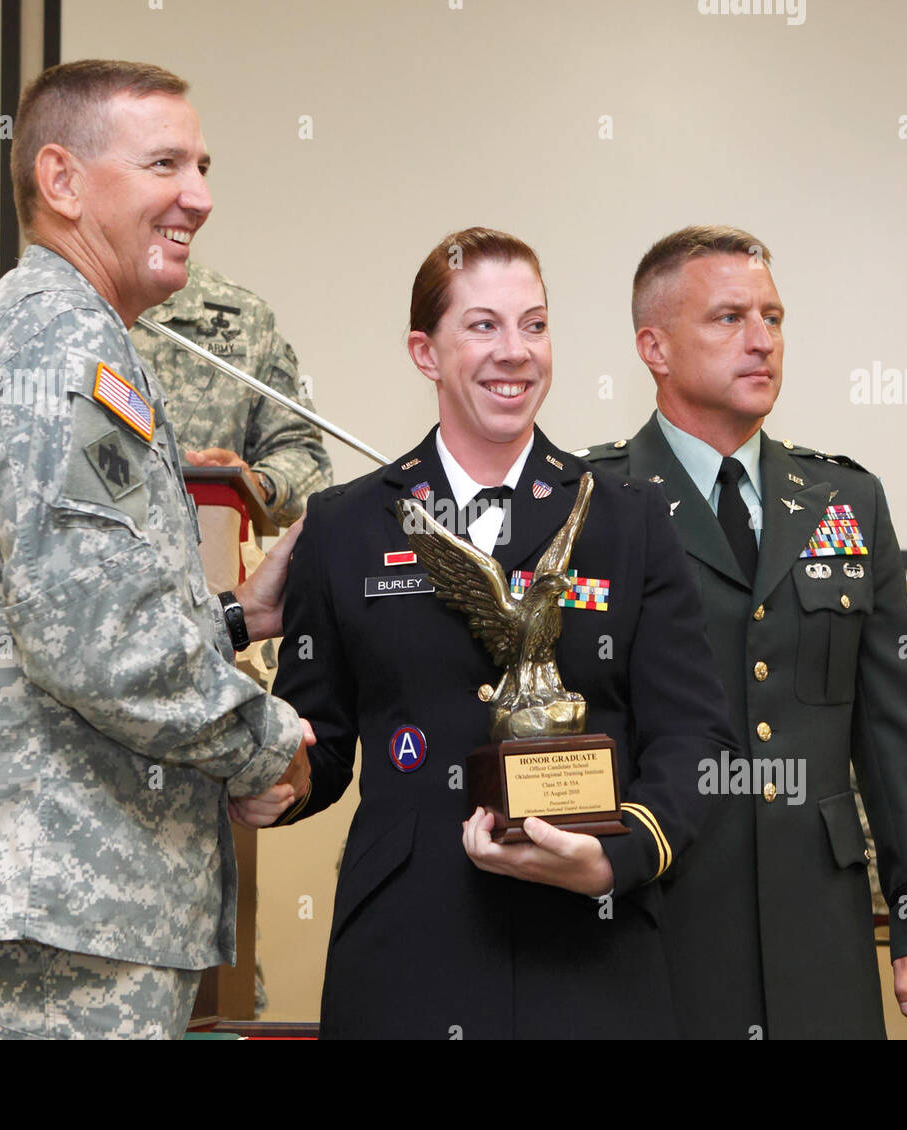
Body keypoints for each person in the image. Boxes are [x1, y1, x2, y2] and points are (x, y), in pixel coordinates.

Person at [0, 59, 310, 1040]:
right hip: (49, 923)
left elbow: (51, 608)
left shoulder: (55, 335)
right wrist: (265, 741)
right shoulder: (67, 352)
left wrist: (238, 614)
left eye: (201, 165)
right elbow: (94, 639)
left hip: (52, 909)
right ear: (62, 180)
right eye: (164, 162)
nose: (198, 196)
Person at [235, 228, 738, 1039]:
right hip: (408, 954)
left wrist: (619, 856)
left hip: (593, 956)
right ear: (424, 352)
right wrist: (278, 779)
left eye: (534, 325)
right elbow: (320, 745)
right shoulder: (346, 524)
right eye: (483, 326)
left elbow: (696, 734)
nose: (516, 352)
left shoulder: (629, 519)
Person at [580, 225, 907, 1038]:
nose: (762, 341)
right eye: (729, 318)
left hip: (817, 924)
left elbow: (899, 731)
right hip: (655, 911)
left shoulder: (845, 501)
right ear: (653, 347)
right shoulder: (594, 504)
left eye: (774, 317)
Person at [131, 260, 332, 527]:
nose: (197, 214)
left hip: (202, 559)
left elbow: (307, 462)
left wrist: (258, 484)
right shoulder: (64, 306)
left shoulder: (241, 318)